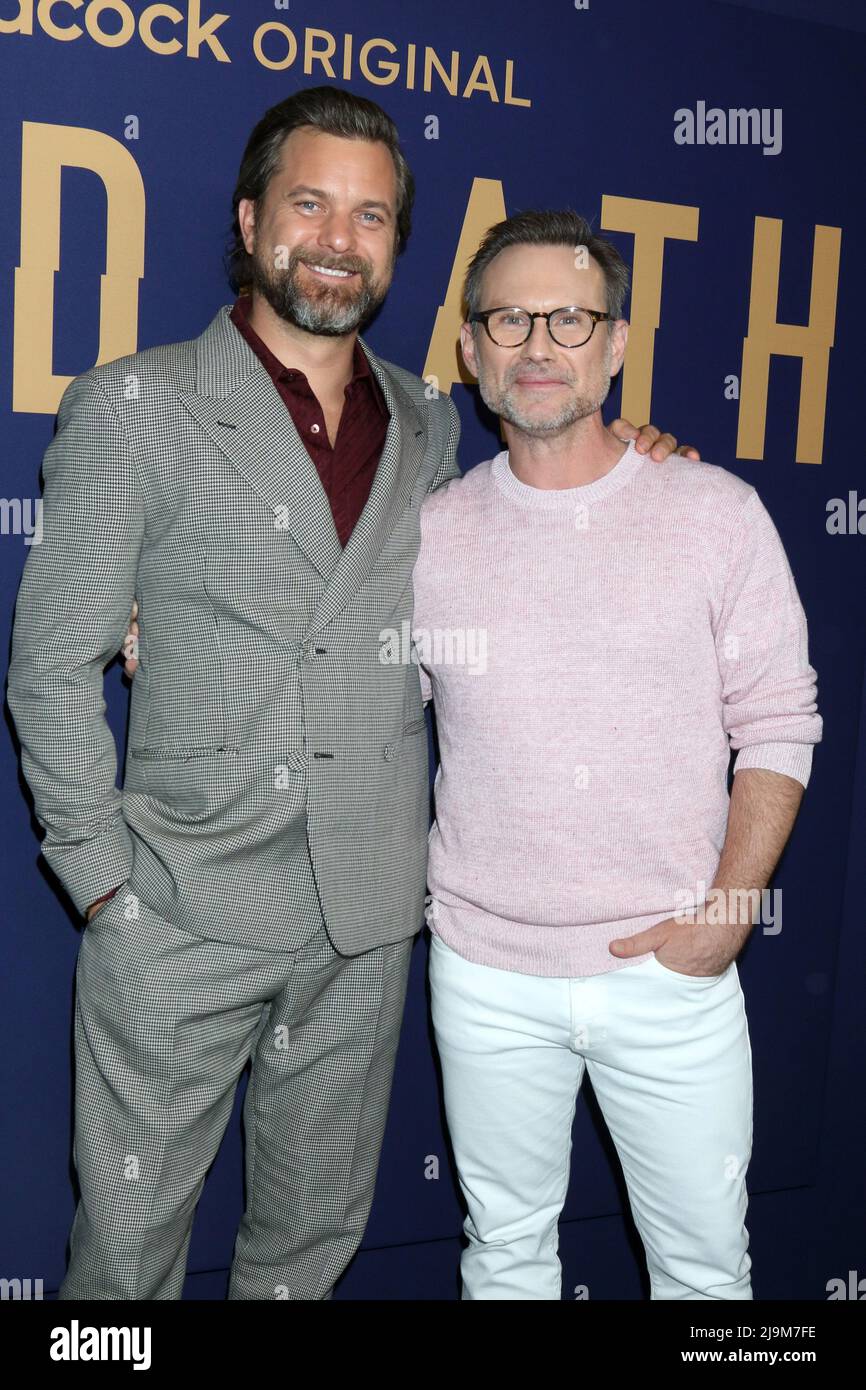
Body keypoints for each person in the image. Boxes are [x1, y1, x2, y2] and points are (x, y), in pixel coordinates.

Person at [7, 86, 692, 1301]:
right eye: (310, 203)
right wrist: (103, 883)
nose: (336, 238)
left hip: (366, 921)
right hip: (177, 912)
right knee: (118, 1269)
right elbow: (50, 665)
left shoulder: (431, 420)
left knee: (304, 1256)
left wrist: (640, 460)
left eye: (370, 215)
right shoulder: (137, 405)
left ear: (394, 246)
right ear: (250, 216)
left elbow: (528, 516)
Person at [413, 209, 822, 1300]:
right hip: (483, 971)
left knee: (703, 1274)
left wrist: (731, 906)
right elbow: (335, 689)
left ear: (616, 344)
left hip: (665, 975)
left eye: (570, 316)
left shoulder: (713, 513)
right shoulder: (428, 532)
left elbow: (777, 717)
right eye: (508, 317)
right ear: (468, 349)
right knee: (503, 1260)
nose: (538, 343)